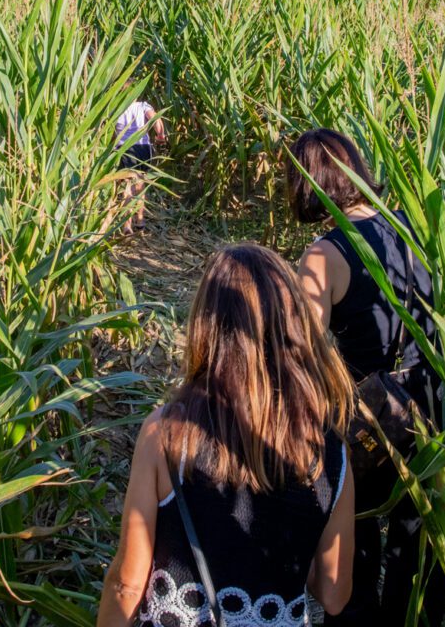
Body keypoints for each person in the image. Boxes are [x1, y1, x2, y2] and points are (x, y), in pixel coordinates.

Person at [97, 244, 356, 627]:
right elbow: (333, 594)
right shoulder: (328, 452)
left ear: (206, 327)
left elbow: (127, 585)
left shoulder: (167, 434)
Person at [284, 128, 443, 625]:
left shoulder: (324, 255)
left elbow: (301, 354)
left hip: (372, 419)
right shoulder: (415, 224)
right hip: (436, 404)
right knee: (415, 548)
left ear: (309, 184)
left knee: (353, 541)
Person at [115, 97, 166, 233]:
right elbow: (155, 119)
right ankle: (140, 221)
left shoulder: (117, 106)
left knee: (127, 185)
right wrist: (161, 135)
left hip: (124, 148)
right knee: (140, 184)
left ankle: (127, 225)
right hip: (143, 148)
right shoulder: (142, 105)